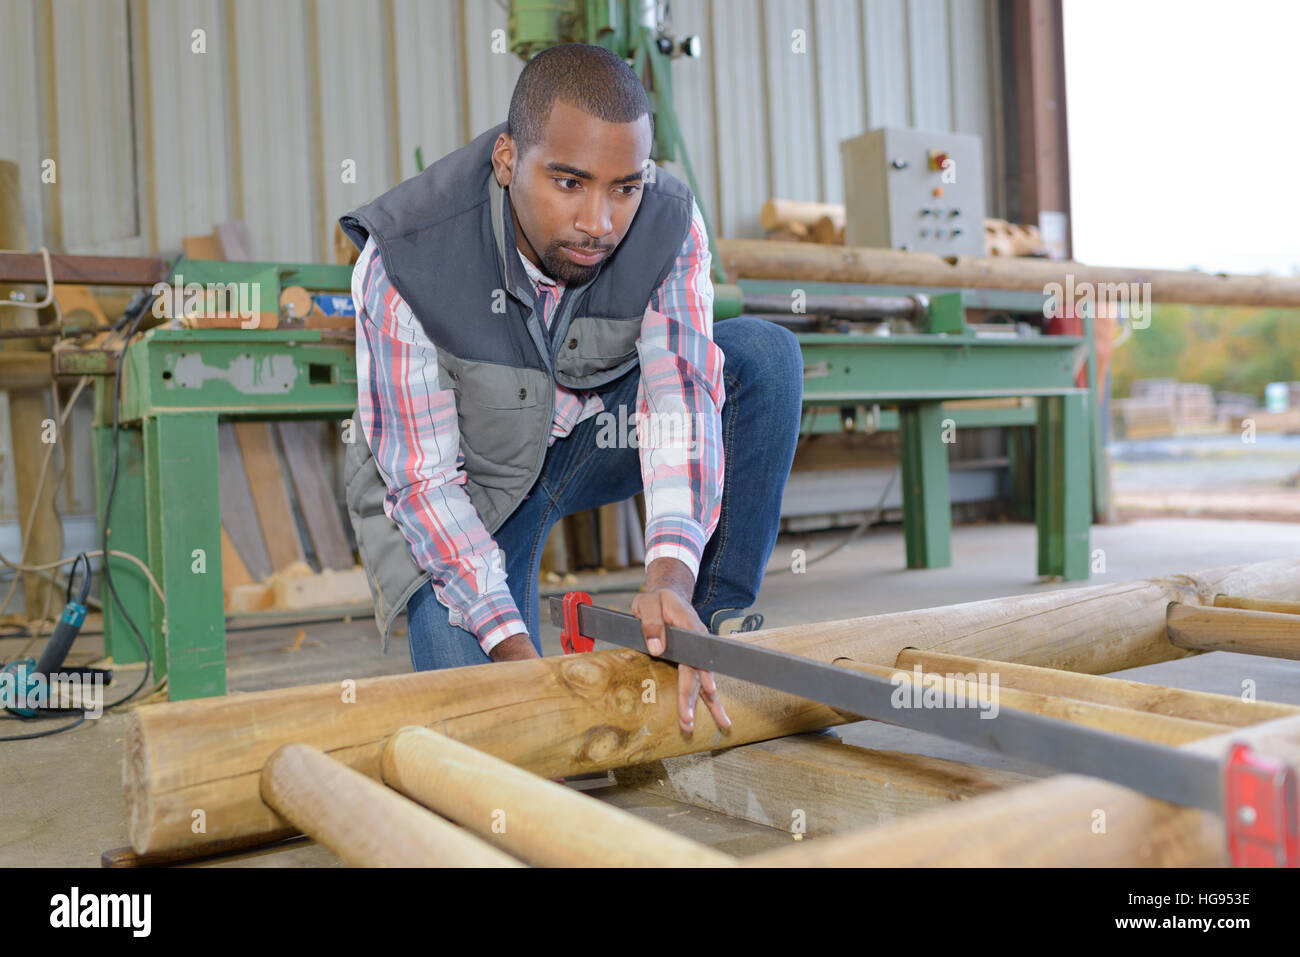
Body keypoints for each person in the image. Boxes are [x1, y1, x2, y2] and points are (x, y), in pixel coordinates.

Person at [339, 43, 802, 735]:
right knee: (492, 731)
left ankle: (707, 624)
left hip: (592, 438)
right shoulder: (406, 258)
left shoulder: (669, 222)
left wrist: (669, 576)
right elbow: (426, 486)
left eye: (625, 186)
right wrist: (515, 648)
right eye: (569, 183)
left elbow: (680, 397)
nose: (600, 222)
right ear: (506, 160)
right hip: (470, 492)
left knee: (762, 355)